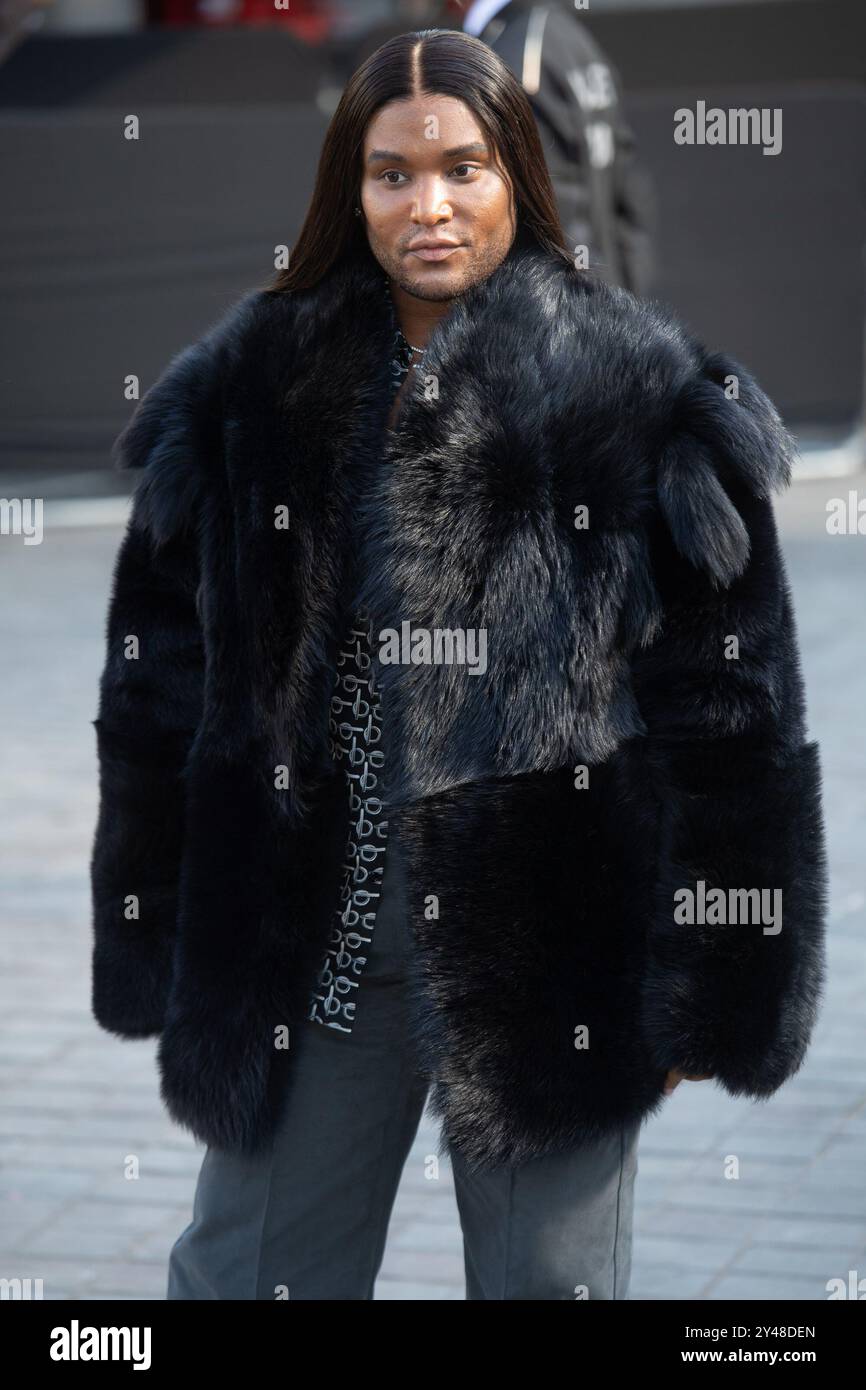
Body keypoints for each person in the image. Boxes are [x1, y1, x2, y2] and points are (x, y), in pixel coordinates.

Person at [89, 27, 828, 1301]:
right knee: (243, 1276)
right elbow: (156, 683)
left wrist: (718, 976)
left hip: (553, 942)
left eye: (463, 168)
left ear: (515, 177)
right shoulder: (246, 390)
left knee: (554, 1286)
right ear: (350, 189)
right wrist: (151, 926)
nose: (427, 205)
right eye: (390, 174)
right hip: (306, 935)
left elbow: (730, 713)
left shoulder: (638, 392)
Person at [454, 0, 657, 293]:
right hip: (602, 297)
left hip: (559, 306)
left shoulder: (510, 53)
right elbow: (631, 192)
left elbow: (548, 197)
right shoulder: (570, 37)